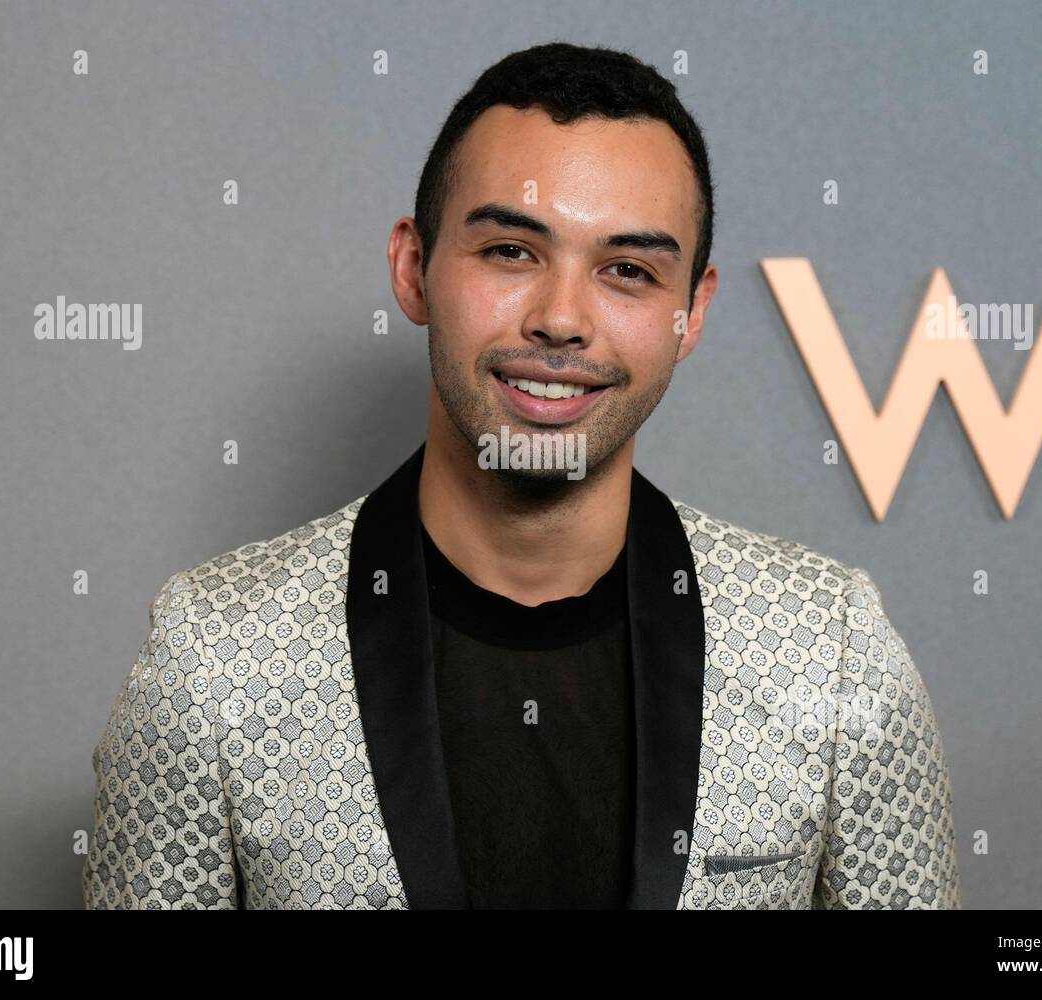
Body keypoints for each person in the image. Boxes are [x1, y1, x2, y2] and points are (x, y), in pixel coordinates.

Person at [82, 41, 961, 910]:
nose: (562, 319)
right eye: (511, 250)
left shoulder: (834, 655)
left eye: (628, 270)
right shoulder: (214, 662)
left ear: (691, 314)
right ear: (412, 267)